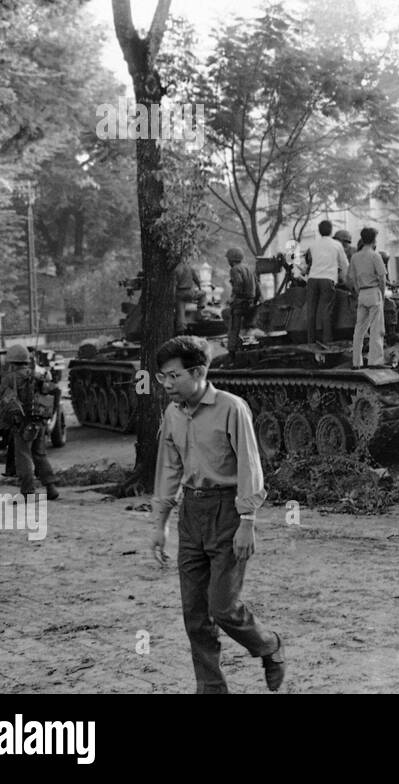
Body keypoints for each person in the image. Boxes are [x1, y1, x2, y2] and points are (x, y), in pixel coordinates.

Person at [150, 335, 286, 693]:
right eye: (162, 377)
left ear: (197, 372)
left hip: (228, 512)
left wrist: (247, 521)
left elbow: (249, 466)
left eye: (173, 376)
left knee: (223, 607)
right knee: (194, 614)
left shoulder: (231, 408)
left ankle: (268, 644)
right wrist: (160, 525)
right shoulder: (172, 414)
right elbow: (168, 471)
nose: (166, 384)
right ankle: (211, 688)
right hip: (191, 514)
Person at [0, 344, 59, 499]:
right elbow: (52, 390)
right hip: (39, 422)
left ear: (12, 362)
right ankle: (51, 487)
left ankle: (28, 491)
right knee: (40, 454)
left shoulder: (11, 378)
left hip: (22, 424)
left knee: (23, 457)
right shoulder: (36, 375)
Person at [303, 219, 349, 345]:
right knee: (326, 310)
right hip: (327, 280)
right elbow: (345, 265)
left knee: (311, 310)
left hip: (312, 280)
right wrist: (346, 280)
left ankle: (310, 341)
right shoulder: (336, 245)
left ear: (319, 231)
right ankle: (327, 341)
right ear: (330, 231)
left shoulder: (313, 245)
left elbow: (306, 264)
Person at [350, 226, 387, 368]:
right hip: (374, 292)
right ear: (374, 240)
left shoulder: (355, 257)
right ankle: (375, 361)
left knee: (359, 330)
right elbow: (382, 279)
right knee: (376, 329)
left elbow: (352, 279)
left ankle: (356, 362)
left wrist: (359, 290)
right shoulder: (375, 255)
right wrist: (382, 296)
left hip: (362, 293)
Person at [224, 247, 256, 358]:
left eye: (228, 258)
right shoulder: (248, 269)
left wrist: (232, 298)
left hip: (240, 303)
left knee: (233, 327)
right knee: (248, 327)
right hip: (250, 303)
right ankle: (245, 346)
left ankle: (232, 352)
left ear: (232, 259)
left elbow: (238, 284)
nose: (227, 261)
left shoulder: (234, 269)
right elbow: (257, 286)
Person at [173, 256, 201, 333]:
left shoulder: (176, 270)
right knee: (203, 295)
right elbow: (196, 279)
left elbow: (174, 285)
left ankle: (181, 330)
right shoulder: (190, 268)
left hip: (180, 294)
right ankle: (200, 312)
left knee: (180, 314)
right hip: (190, 293)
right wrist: (199, 287)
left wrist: (173, 296)